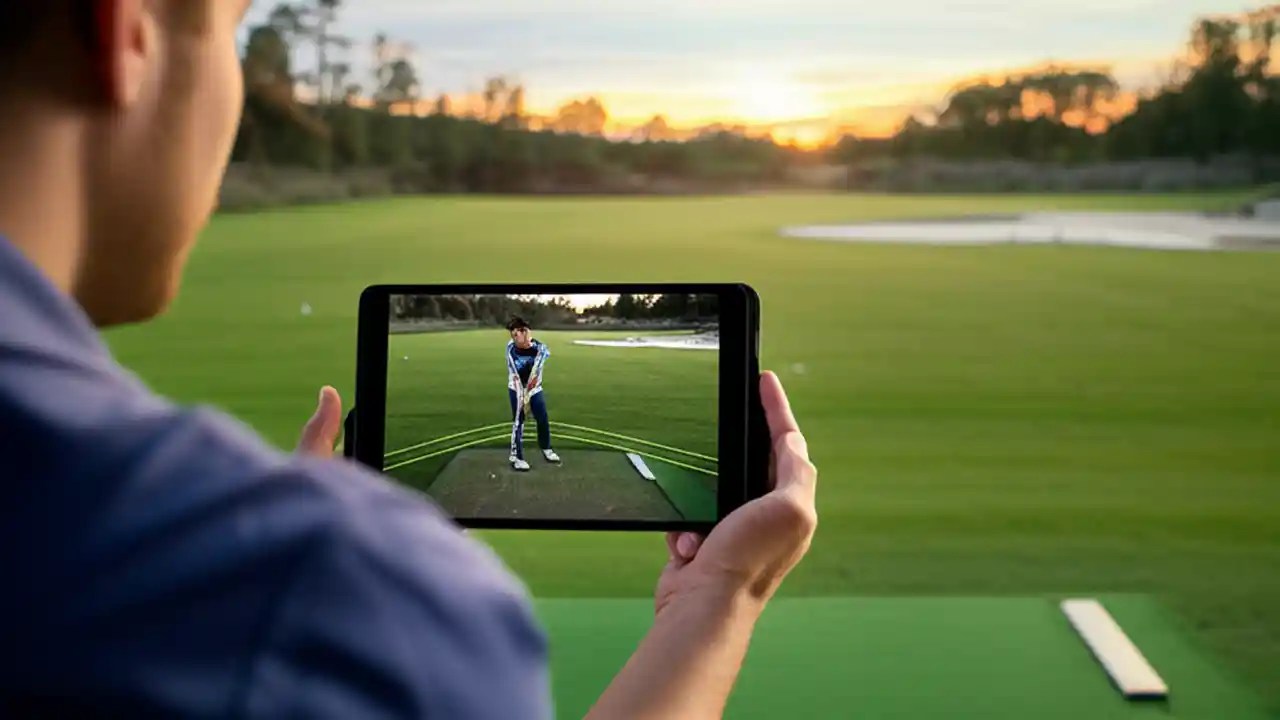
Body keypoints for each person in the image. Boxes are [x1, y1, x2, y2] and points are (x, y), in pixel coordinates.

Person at [0, 2, 818, 718]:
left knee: (539, 422)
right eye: (232, 31)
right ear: (123, 30)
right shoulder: (348, 592)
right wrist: (721, 596)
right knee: (520, 429)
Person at [506, 316, 559, 472]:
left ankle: (546, 448)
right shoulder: (510, 349)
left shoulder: (540, 350)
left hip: (534, 389)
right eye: (512, 334)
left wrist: (530, 392)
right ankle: (516, 457)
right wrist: (522, 396)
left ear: (526, 332)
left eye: (516, 334)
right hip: (516, 388)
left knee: (542, 417)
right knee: (519, 421)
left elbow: (536, 372)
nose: (513, 338)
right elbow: (516, 375)